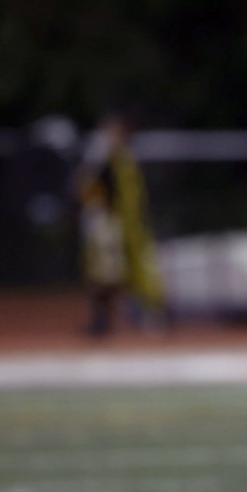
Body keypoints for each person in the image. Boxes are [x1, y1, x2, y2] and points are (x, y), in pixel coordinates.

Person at [76, 112, 168, 335]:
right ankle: (104, 319)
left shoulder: (120, 158)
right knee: (103, 273)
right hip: (105, 220)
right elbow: (84, 186)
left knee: (128, 271)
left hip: (121, 222)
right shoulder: (102, 156)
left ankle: (146, 313)